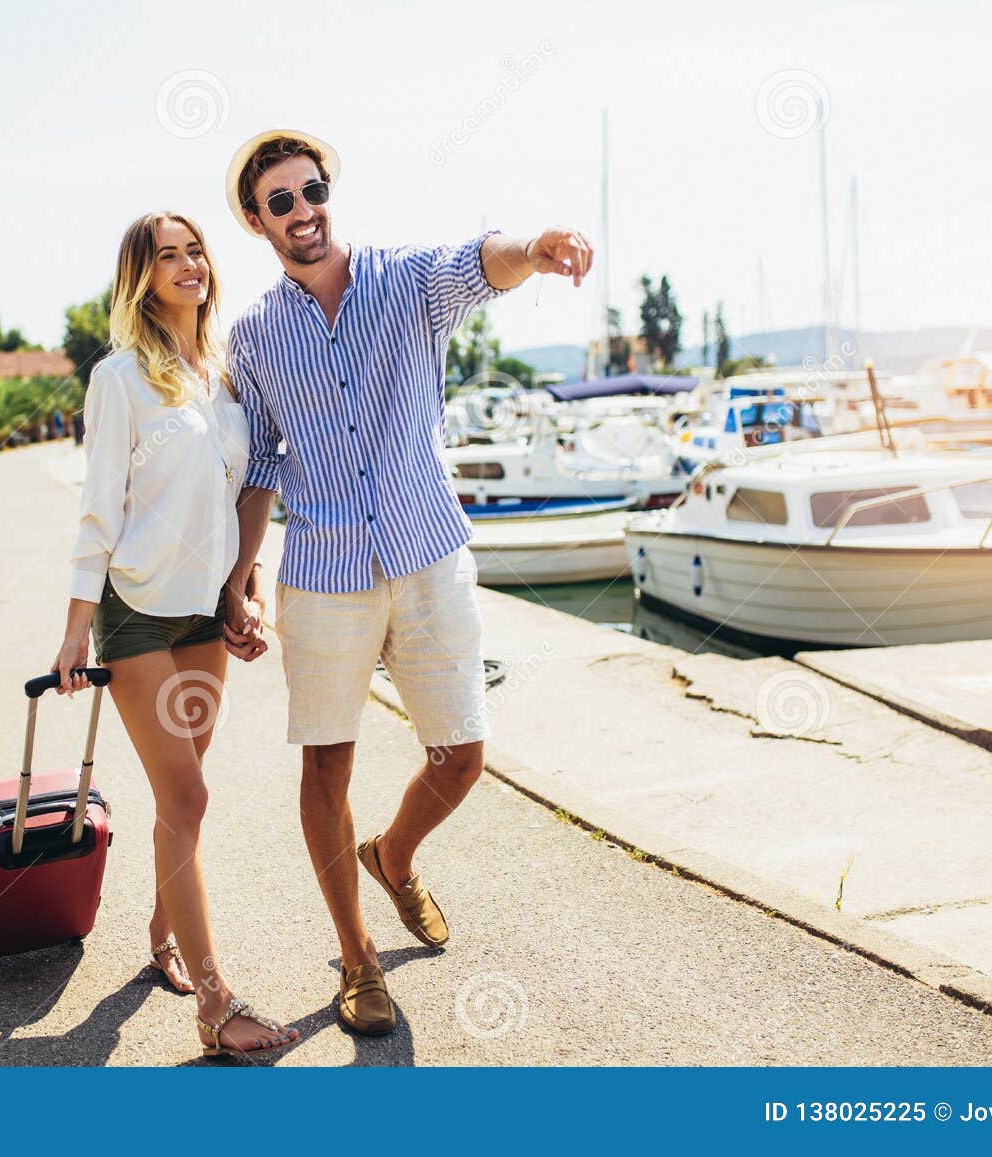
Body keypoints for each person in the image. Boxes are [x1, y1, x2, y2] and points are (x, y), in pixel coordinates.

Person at [221, 130, 592, 1036]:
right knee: (325, 765)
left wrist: (534, 249)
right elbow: (262, 458)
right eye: (281, 200)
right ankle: (357, 959)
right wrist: (241, 576)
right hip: (323, 574)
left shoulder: (402, 281)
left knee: (461, 754)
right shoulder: (255, 335)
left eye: (313, 190)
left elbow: (479, 264)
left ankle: (394, 853)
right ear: (255, 220)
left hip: (429, 555)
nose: (304, 209)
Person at [51, 211, 296, 1058]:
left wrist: (245, 592)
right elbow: (99, 507)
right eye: (168, 256)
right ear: (142, 278)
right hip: (136, 611)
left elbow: (250, 488)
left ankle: (164, 938)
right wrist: (76, 630)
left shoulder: (227, 375)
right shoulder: (120, 378)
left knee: (179, 793)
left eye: (196, 250)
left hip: (202, 610)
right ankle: (218, 1005)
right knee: (188, 796)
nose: (189, 264)